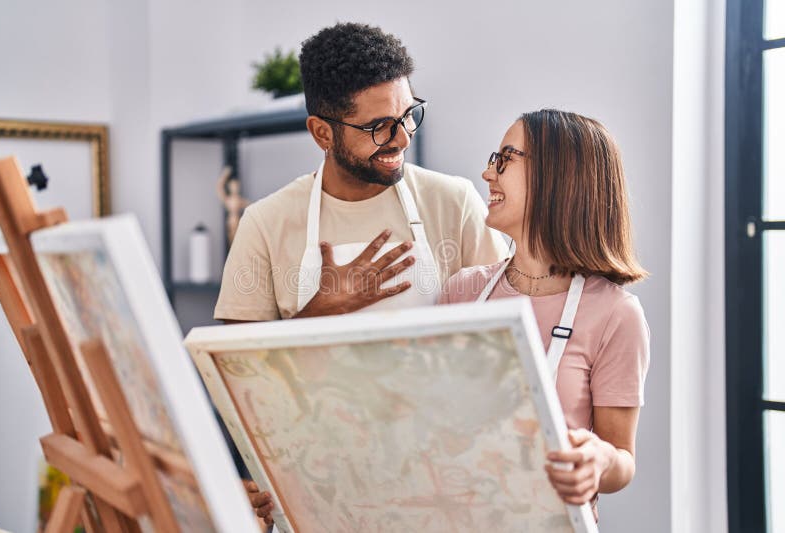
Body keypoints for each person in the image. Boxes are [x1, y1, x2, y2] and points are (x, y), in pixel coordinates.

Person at [213, 22, 507, 324]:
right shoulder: (264, 224)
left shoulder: (455, 204)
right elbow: (239, 366)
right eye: (378, 127)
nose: (403, 138)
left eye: (407, 116)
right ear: (322, 133)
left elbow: (505, 333)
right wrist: (318, 314)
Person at [440, 109, 650, 518]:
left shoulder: (616, 314)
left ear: (558, 177)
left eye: (505, 158)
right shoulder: (463, 291)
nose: (488, 174)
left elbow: (622, 458)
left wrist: (599, 462)